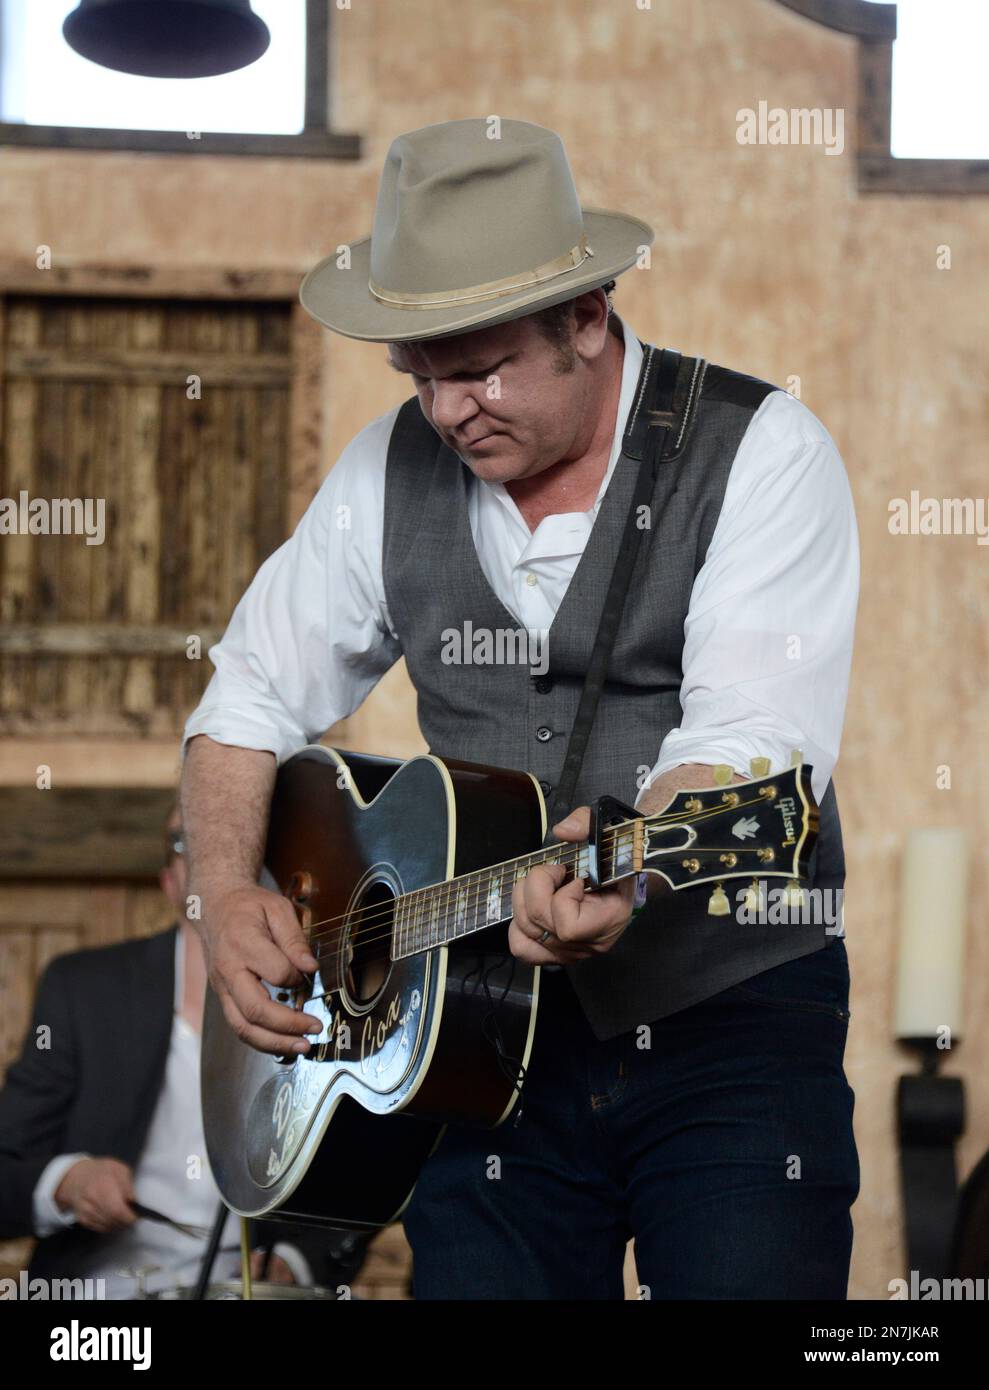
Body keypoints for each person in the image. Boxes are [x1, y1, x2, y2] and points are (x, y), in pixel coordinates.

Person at [180, 117, 860, 1299]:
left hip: (729, 1022)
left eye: (478, 367)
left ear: (586, 319)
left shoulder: (760, 451)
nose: (445, 411)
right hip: (478, 1048)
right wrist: (227, 890)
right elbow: (244, 699)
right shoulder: (385, 472)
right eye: (420, 374)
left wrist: (631, 872)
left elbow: (744, 737)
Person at [0, 805, 368, 1298]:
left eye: (247, 840)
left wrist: (291, 1262)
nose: (216, 857)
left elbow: (365, 1175)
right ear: (169, 883)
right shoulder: (82, 988)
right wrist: (66, 1182)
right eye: (189, 843)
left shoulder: (340, 999)